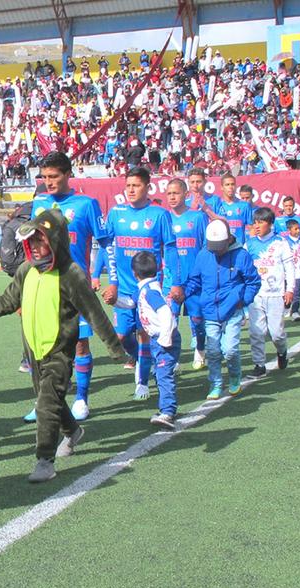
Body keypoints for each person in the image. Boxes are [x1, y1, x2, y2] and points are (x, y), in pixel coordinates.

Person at [0, 209, 123, 482]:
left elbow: (95, 314)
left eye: (42, 241)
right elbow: (8, 301)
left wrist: (116, 349)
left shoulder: (71, 274)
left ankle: (44, 461)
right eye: (32, 242)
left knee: (47, 403)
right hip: (33, 352)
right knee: (48, 400)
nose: (36, 248)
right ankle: (73, 431)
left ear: (56, 241)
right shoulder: (26, 270)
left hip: (59, 352)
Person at [28, 152, 106, 421]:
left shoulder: (86, 205)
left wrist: (107, 277)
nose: (48, 182)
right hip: (43, 289)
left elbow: (106, 243)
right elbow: (31, 250)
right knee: (44, 349)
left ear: (68, 174)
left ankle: (82, 399)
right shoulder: (38, 204)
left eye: (54, 176)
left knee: (80, 345)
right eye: (45, 177)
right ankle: (46, 400)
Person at [97, 167, 182, 401]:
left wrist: (175, 282)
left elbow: (171, 249)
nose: (131, 190)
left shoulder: (159, 215)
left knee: (144, 335)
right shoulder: (116, 213)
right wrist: (102, 277)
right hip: (123, 288)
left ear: (147, 187)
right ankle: (147, 361)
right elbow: (106, 247)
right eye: (128, 186)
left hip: (148, 289)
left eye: (136, 186)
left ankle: (142, 383)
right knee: (122, 336)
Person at [184, 219, 261, 399]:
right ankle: (216, 384)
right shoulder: (204, 255)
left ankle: (235, 377)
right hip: (209, 311)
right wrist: (183, 293)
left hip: (233, 311)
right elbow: (195, 280)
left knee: (230, 350)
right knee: (213, 351)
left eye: (220, 246)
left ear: (228, 240)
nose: (216, 250)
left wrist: (244, 300)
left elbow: (253, 281)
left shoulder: (241, 255)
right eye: (213, 246)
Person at [163, 178, 209, 370]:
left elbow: (206, 247)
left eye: (176, 193)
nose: (172, 197)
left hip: (193, 281)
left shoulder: (197, 218)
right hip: (170, 281)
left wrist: (202, 274)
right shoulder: (164, 218)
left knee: (197, 321)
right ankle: (173, 359)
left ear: (186, 194)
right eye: (169, 194)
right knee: (169, 321)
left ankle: (200, 349)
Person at [244, 208, 296, 377]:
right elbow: (243, 267)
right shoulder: (249, 244)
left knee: (277, 333)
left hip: (275, 295)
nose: (257, 226)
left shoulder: (280, 243)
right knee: (256, 332)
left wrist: (290, 290)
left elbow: (289, 268)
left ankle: (282, 352)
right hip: (256, 295)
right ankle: (259, 365)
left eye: (261, 222)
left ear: (270, 224)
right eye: (255, 222)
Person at [132, 251, 180, 429]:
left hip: (163, 338)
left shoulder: (151, 291)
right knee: (160, 373)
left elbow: (166, 312)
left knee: (163, 374)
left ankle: (168, 411)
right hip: (156, 337)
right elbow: (131, 302)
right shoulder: (146, 288)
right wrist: (115, 301)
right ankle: (166, 406)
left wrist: (165, 338)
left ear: (134, 273)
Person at [0, 203, 33, 375]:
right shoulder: (35, 215)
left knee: (28, 317)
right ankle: (30, 358)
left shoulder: (14, 220)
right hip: (32, 270)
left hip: (16, 270)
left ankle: (28, 358)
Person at [211, 173, 254, 246]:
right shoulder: (217, 205)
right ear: (222, 187)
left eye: (232, 184)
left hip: (239, 246)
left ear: (236, 186)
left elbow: (251, 228)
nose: (230, 187)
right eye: (227, 185)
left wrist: (251, 245)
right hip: (222, 248)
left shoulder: (245, 205)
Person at [282, 219, 300, 320]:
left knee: (296, 291)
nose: (298, 231)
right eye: (295, 229)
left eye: (299, 228)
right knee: (285, 290)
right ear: (289, 230)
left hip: (299, 271)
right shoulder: (284, 241)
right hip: (286, 272)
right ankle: (286, 307)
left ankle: (295, 311)